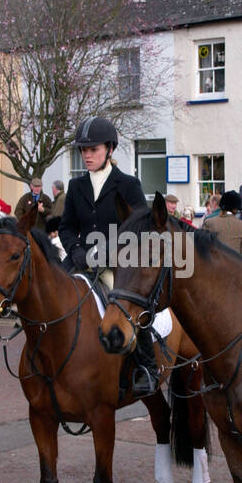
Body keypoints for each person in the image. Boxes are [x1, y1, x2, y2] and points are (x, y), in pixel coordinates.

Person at [58, 115, 156, 396]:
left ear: (109, 150)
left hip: (116, 264)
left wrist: (109, 253)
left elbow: (139, 227)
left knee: (129, 307)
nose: (87, 156)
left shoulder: (128, 185)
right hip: (80, 260)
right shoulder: (76, 186)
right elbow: (67, 227)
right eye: (83, 151)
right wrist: (75, 250)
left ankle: (146, 368)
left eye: (93, 150)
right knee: (50, 298)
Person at [202, 189, 242, 256]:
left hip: (214, 263)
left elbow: (203, 247)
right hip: (235, 263)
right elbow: (241, 250)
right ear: (236, 209)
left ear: (221, 205)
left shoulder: (209, 222)